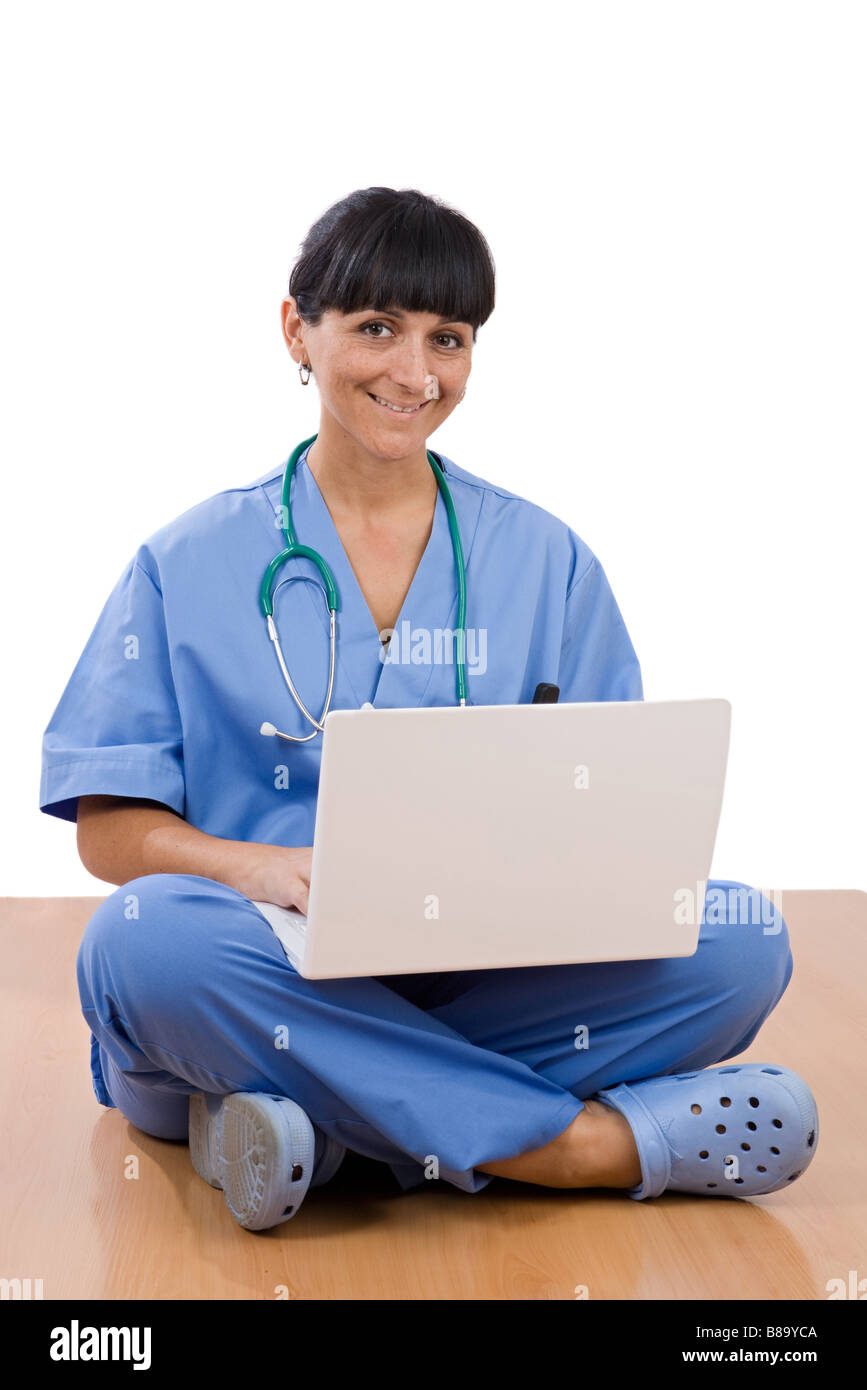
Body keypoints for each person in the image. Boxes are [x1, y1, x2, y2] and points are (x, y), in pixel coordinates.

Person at [40, 186, 818, 1232]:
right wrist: (254, 867)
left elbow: (623, 827)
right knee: (139, 944)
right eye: (375, 328)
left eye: (447, 337)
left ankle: (316, 1128)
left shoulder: (546, 560)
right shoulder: (186, 561)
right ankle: (581, 1147)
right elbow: (110, 831)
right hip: (266, 967)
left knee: (743, 936)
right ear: (296, 331)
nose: (414, 374)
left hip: (479, 977)